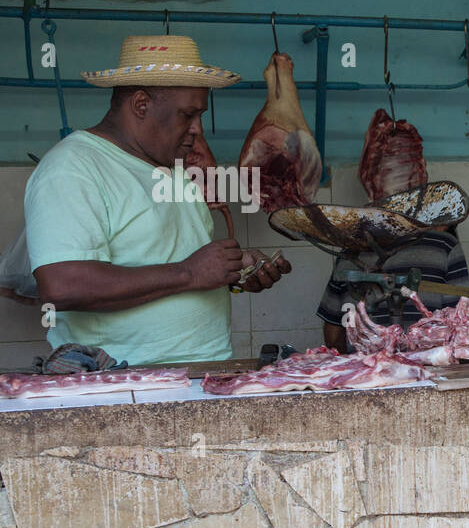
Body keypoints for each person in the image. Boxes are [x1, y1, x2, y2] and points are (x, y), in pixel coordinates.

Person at [23, 34, 290, 365]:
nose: (198, 130)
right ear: (140, 105)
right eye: (187, 115)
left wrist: (232, 272)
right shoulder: (73, 167)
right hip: (122, 387)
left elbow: (174, 265)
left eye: (200, 116)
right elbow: (62, 286)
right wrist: (189, 273)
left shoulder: (172, 170)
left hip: (201, 376)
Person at [317, 227, 469, 352]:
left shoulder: (350, 252)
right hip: (428, 371)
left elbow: (333, 335)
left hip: (367, 371)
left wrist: (350, 371)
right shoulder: (444, 245)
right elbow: (462, 324)